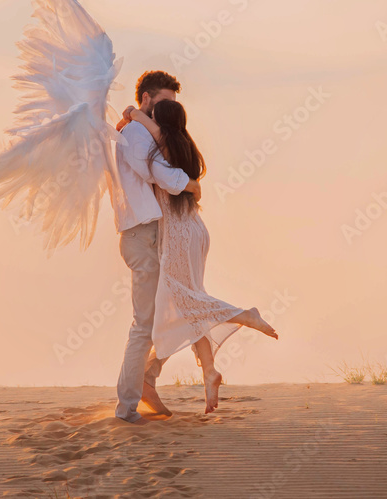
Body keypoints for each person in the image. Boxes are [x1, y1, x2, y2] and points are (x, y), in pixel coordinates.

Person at [122, 97, 279, 415]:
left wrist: (136, 116)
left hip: (180, 235)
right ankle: (208, 372)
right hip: (195, 230)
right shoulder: (186, 148)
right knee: (189, 302)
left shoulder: (160, 156)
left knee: (186, 299)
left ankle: (244, 315)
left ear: (159, 125)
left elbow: (168, 178)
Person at [112, 71, 201, 423]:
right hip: (142, 235)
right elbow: (162, 175)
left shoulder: (138, 127)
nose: (167, 112)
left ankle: (144, 387)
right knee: (144, 325)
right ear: (146, 99)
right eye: (163, 103)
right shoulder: (134, 133)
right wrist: (191, 185)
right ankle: (127, 407)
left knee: (167, 312)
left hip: (150, 234)